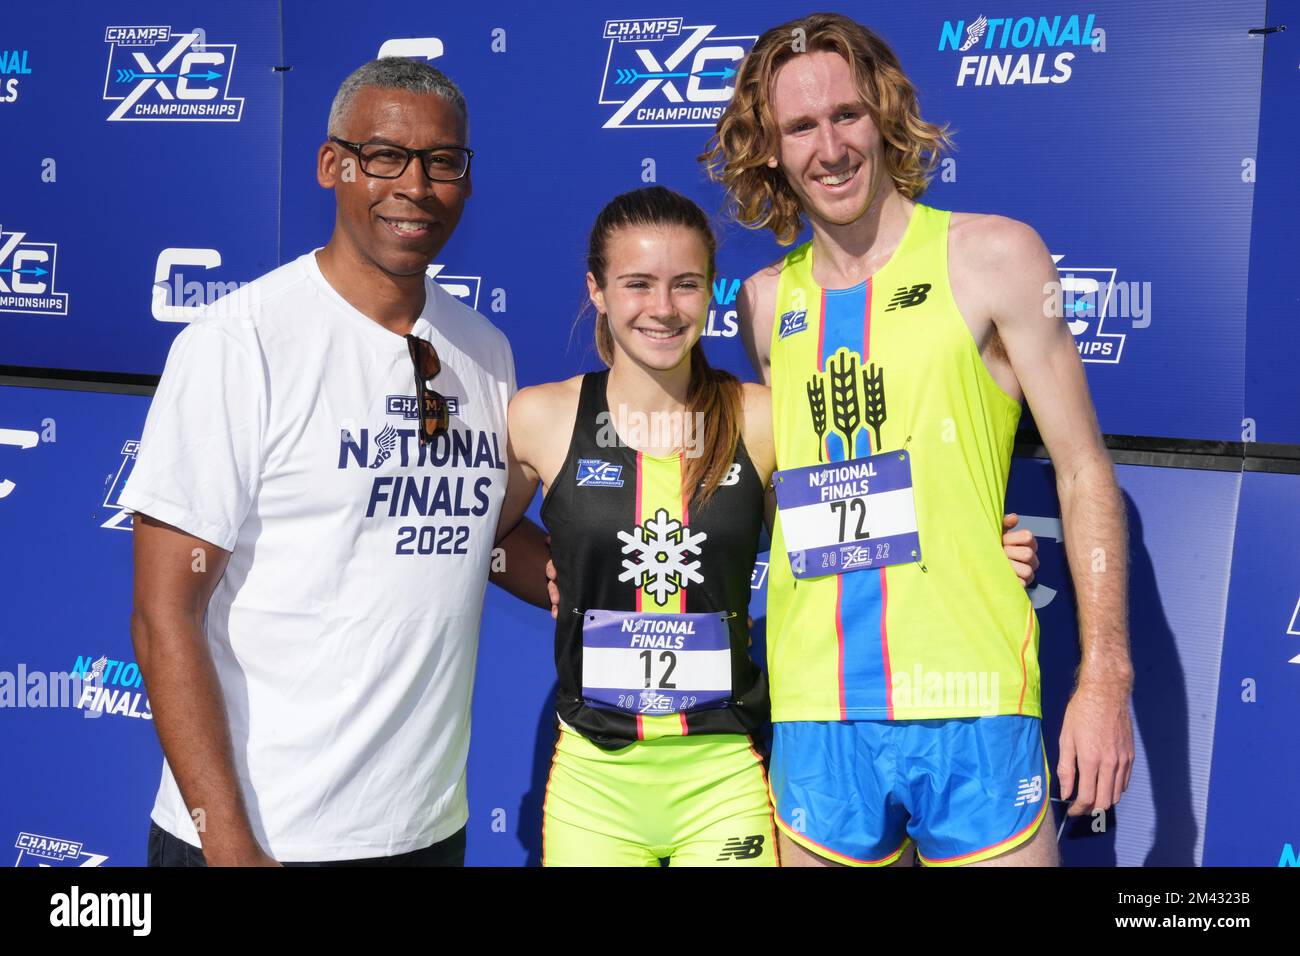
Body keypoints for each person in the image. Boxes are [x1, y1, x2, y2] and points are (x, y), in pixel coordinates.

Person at [702, 12, 1134, 867]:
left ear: (885, 116)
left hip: (973, 696)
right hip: (817, 707)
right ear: (770, 149)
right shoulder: (758, 303)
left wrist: (1105, 677)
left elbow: (1084, 472)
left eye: (846, 115)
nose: (829, 147)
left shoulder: (996, 256)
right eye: (800, 127)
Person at [520, 186, 1038, 866]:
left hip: (724, 775)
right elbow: (488, 544)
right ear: (597, 289)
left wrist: (965, 538)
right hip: (594, 779)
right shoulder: (537, 416)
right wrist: (557, 583)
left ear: (711, 291)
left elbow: (836, 525)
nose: (663, 308)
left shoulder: (760, 417)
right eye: (637, 284)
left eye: (686, 285)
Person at [122, 57, 548, 867]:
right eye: (385, 155)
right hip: (265, 838)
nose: (415, 185)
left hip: (425, 830)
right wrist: (230, 843)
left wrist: (618, 596)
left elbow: (477, 537)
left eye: (443, 162)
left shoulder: (484, 351)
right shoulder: (237, 345)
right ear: (333, 165)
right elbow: (161, 614)